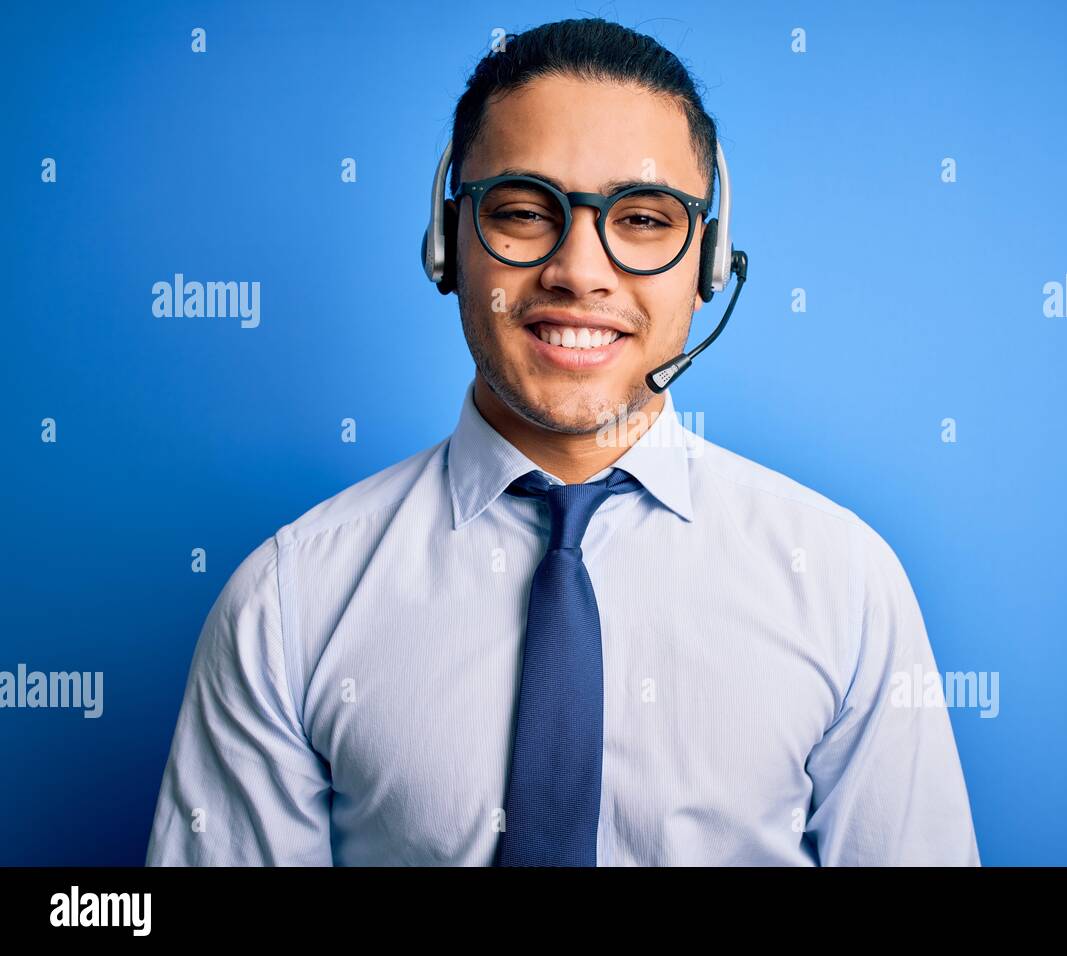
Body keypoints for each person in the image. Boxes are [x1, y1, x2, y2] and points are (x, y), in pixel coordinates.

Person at [145, 17, 980, 867]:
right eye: (521, 211)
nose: (580, 271)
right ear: (448, 246)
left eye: (646, 218)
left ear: (711, 262)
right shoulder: (288, 605)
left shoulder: (843, 584)